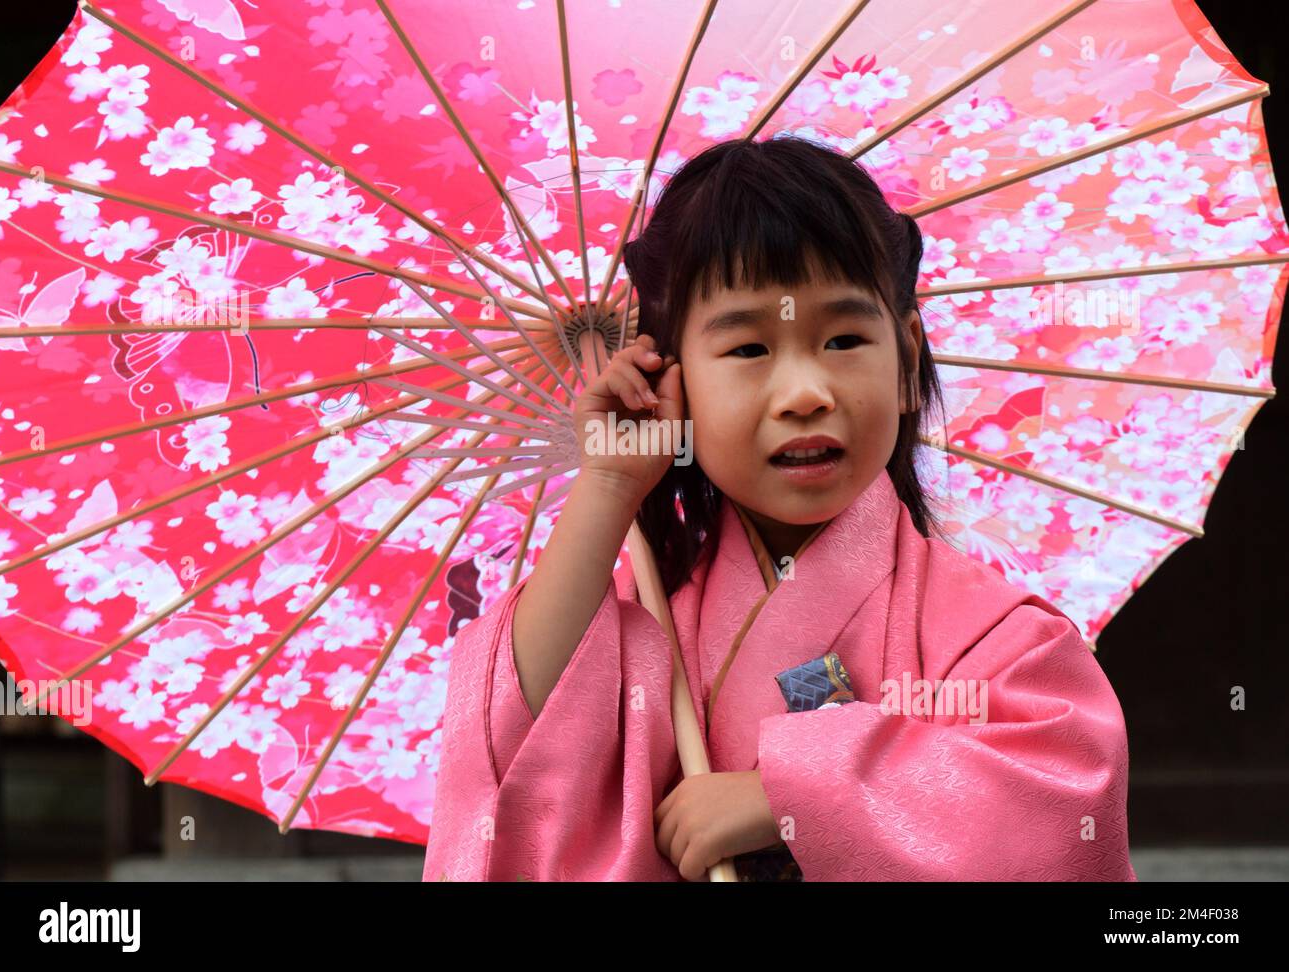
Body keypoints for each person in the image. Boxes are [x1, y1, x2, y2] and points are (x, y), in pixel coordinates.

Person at [421, 135, 1137, 882]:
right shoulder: (651, 619)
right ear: (673, 381)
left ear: (906, 359)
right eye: (748, 350)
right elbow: (513, 748)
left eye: (844, 338)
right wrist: (607, 487)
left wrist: (790, 796)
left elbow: (1058, 804)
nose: (805, 393)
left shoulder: (994, 637)